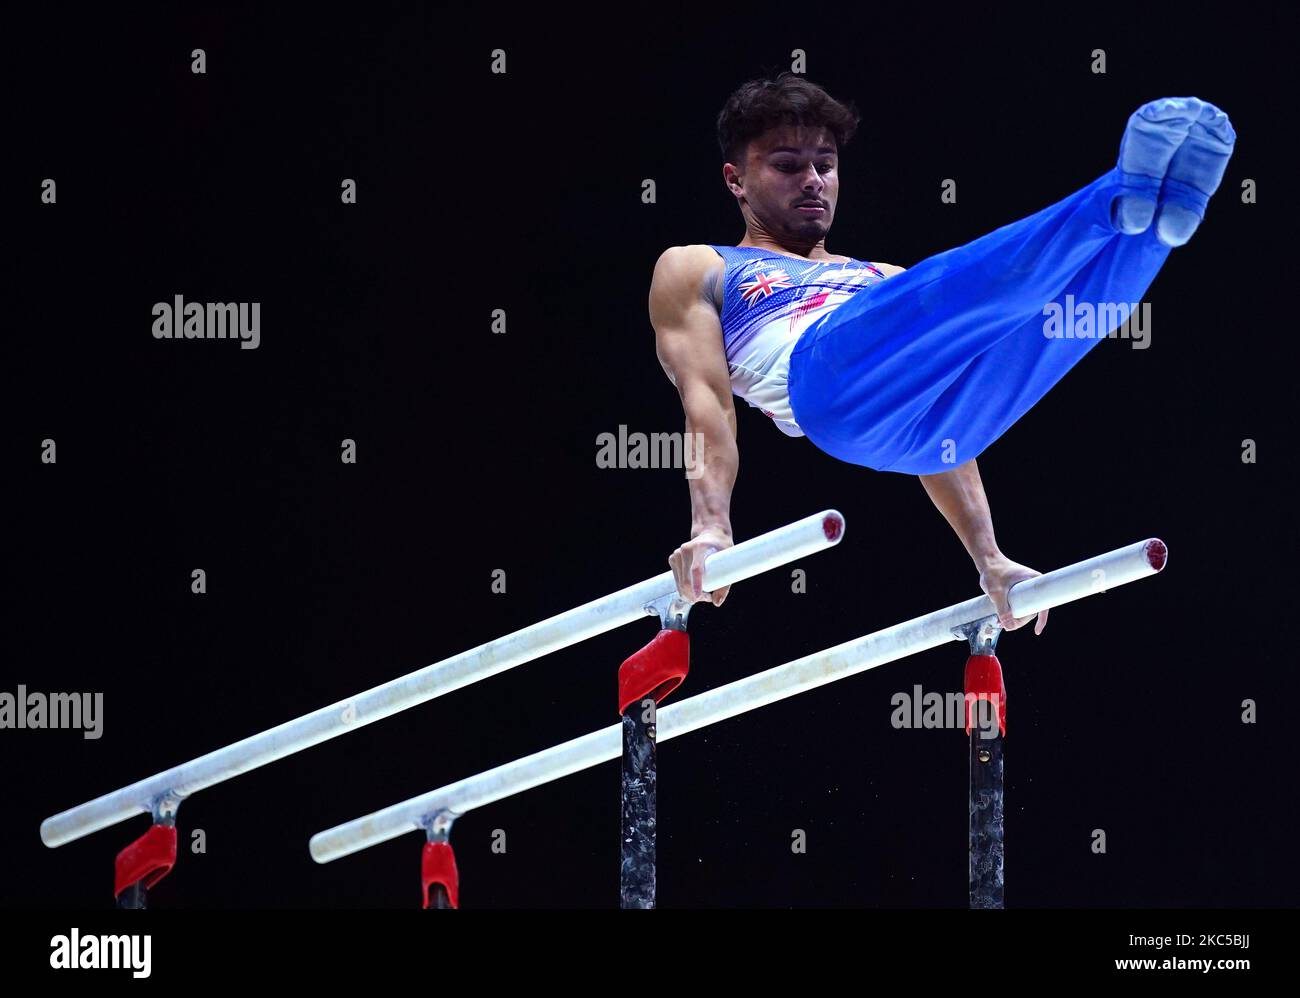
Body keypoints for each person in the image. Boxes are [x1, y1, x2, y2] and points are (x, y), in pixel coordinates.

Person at [649, 74, 1234, 631]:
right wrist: (712, 528)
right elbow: (707, 406)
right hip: (827, 389)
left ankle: (1156, 222)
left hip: (926, 429)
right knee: (984, 288)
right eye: (786, 165)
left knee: (1061, 323)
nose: (813, 180)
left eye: (825, 165)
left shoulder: (881, 277)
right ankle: (1116, 197)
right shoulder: (702, 265)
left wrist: (990, 560)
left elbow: (948, 447)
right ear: (735, 180)